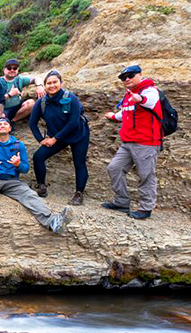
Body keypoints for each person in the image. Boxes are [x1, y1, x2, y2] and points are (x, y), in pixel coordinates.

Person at [103, 65, 163, 219]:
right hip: (128, 142)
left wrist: (140, 99)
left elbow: (150, 102)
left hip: (146, 143)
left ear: (140, 75)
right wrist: (113, 116)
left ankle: (146, 208)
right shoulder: (130, 94)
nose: (127, 79)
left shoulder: (149, 90)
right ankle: (122, 202)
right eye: (124, 77)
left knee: (146, 175)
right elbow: (126, 113)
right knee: (114, 168)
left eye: (130, 75)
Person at [29, 70, 90, 205]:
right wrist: (41, 139)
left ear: (61, 83)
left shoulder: (71, 98)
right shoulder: (41, 102)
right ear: (44, 85)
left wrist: (54, 139)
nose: (52, 85)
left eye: (55, 82)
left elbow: (73, 123)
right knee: (38, 157)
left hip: (78, 134)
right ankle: (42, 187)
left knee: (79, 163)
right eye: (48, 83)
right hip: (57, 136)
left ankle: (79, 193)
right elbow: (32, 123)